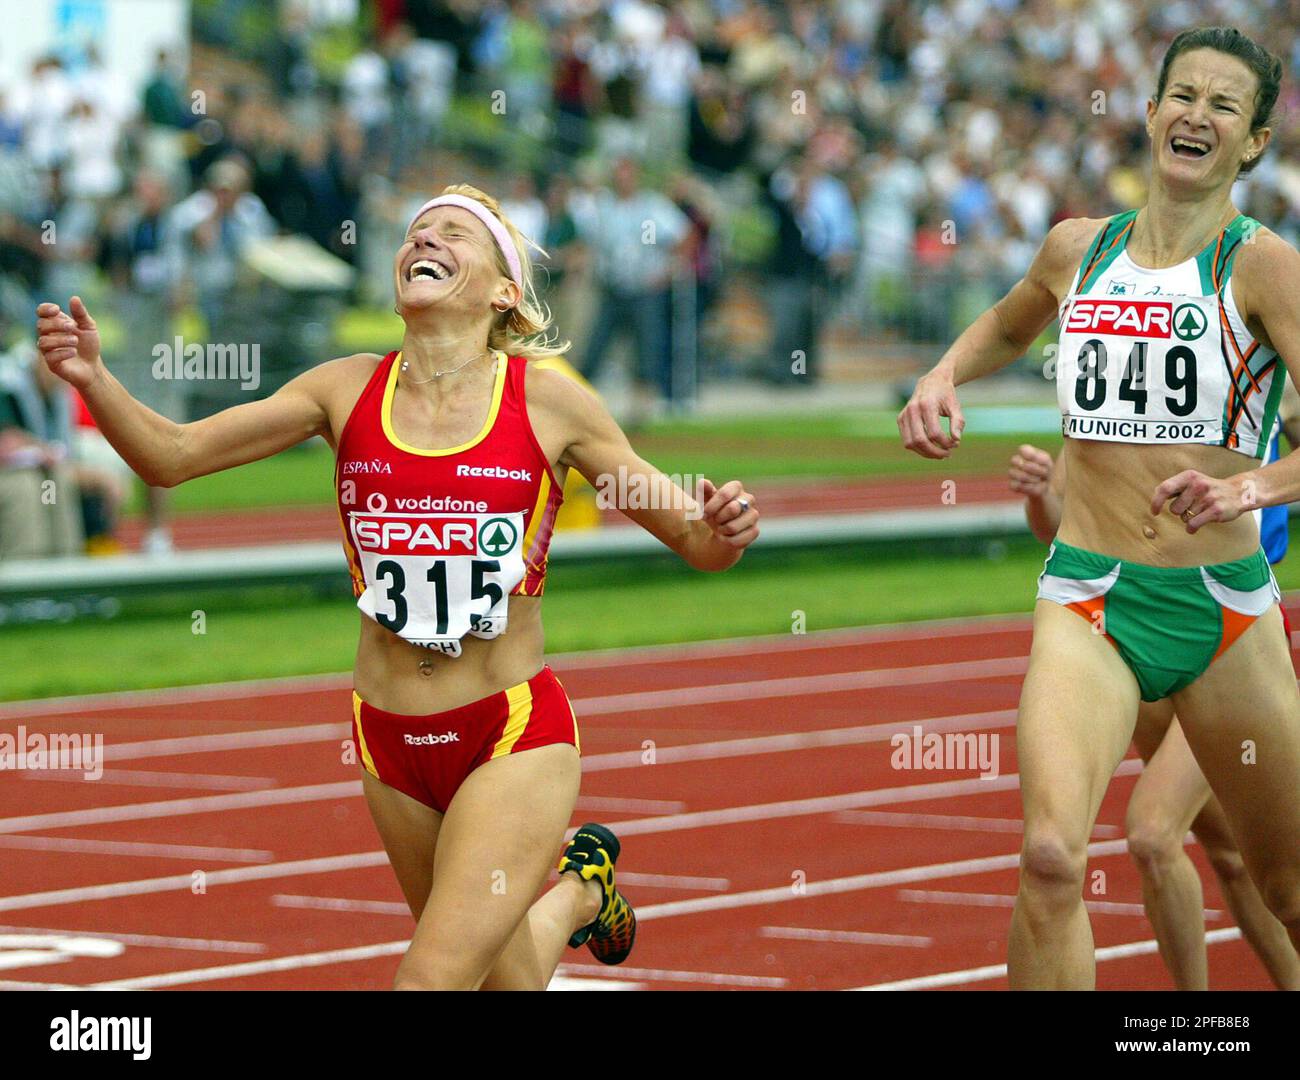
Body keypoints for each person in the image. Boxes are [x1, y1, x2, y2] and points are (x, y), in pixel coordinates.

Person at [36, 182, 759, 990]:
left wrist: (719, 530)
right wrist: (92, 378)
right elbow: (171, 456)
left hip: (511, 730)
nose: (426, 241)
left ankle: (576, 891)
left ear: (503, 293)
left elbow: (693, 541)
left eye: (455, 234)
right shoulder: (341, 390)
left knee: (428, 982)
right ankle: (584, 893)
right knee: (506, 981)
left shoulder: (551, 401)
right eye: (416, 233)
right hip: (388, 740)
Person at [898, 26, 1300, 989]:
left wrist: (1251, 484)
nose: (1196, 115)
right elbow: (1005, 322)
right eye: (1183, 96)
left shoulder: (1265, 267)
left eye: (1224, 106)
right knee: (1049, 858)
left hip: (1223, 608)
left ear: (1251, 143)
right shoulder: (1081, 247)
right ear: (1153, 110)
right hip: (1088, 594)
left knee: (1287, 892)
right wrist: (942, 373)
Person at [1009, 416, 1300, 988]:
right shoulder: (1120, 369)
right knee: (1231, 857)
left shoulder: (1266, 352)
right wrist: (1043, 492)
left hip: (1227, 629)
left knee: (1153, 831)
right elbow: (1053, 525)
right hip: (1120, 623)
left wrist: (1252, 489)